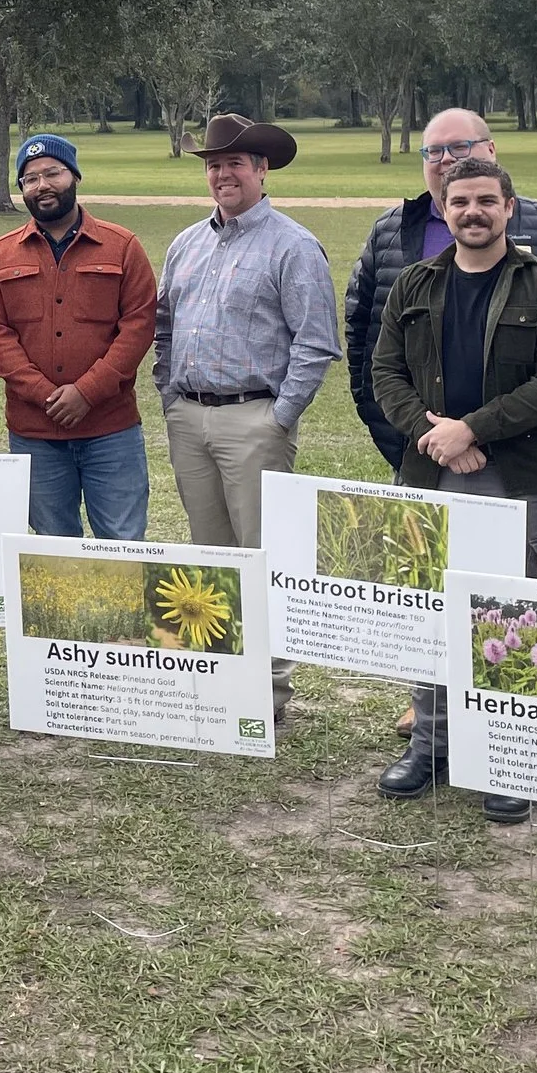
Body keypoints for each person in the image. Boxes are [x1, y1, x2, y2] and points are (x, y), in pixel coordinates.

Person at [366, 157, 537, 824]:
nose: (473, 212)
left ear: (509, 207)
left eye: (487, 200)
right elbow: (385, 370)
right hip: (431, 473)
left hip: (516, 476)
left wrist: (473, 428)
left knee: (510, 615)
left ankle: (509, 758)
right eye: (460, 201)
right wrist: (433, 436)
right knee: (430, 611)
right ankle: (432, 745)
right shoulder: (416, 283)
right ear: (444, 206)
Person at [153, 114, 340, 717]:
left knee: (262, 557)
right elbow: (164, 328)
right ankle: (221, 677)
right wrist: (169, 397)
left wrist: (279, 418)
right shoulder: (186, 242)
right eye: (214, 164)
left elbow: (315, 343)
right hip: (190, 417)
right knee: (209, 552)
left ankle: (270, 690)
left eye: (235, 163)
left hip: (255, 418)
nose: (222, 173)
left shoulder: (293, 245)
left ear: (262, 170)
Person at [343, 107, 537, 474]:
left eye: (460, 147)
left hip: (523, 456)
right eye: (433, 151)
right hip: (420, 452)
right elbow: (365, 340)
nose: (446, 159)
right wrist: (420, 432)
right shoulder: (390, 232)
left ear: (492, 150)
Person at [0, 133, 157, 540]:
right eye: (30, 179)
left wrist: (88, 392)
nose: (42, 185)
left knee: (124, 544)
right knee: (53, 550)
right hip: (35, 434)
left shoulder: (122, 246)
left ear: (74, 175)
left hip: (111, 430)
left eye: (52, 173)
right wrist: (45, 395)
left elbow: (139, 325)